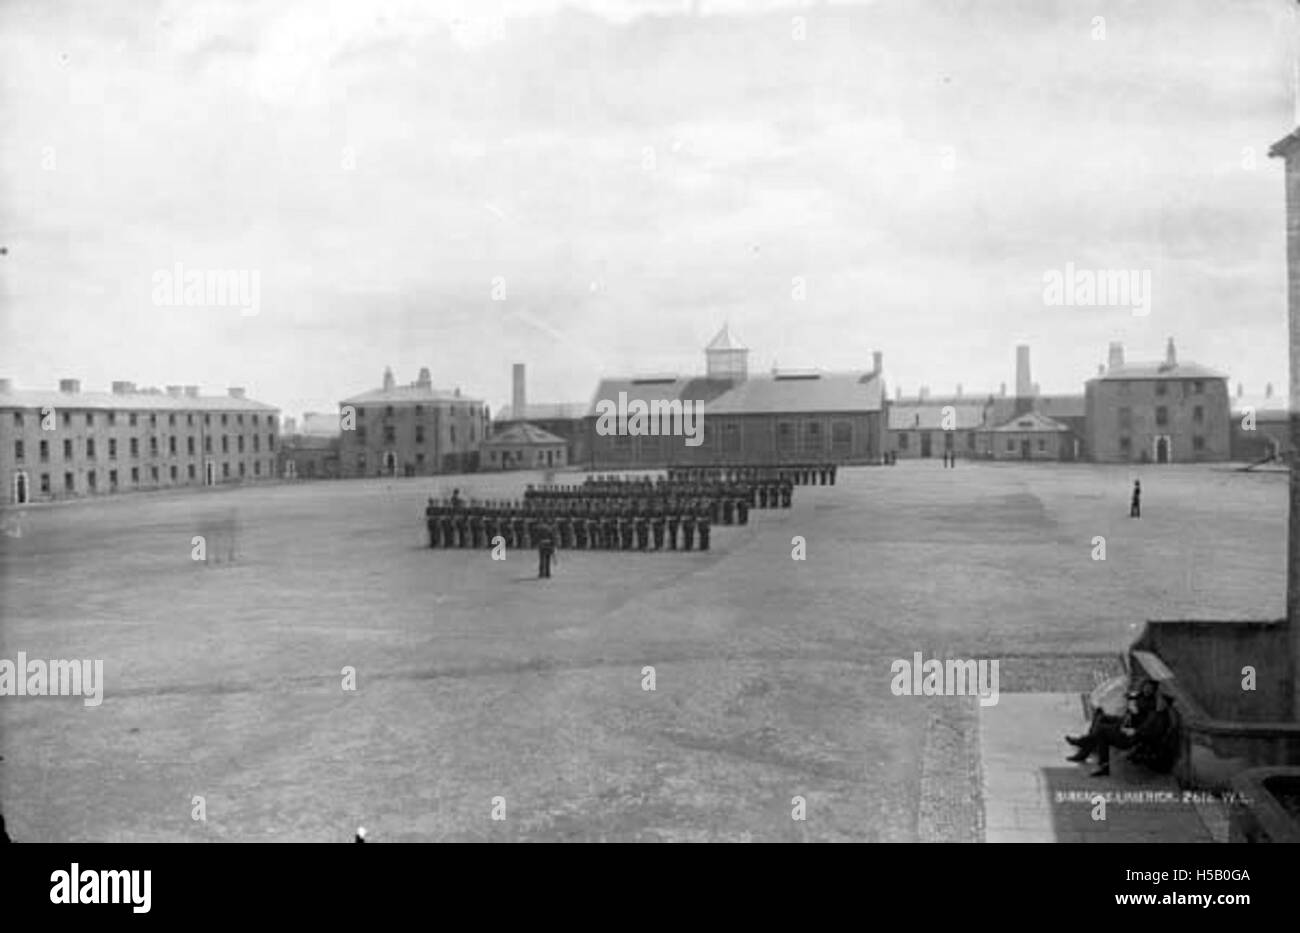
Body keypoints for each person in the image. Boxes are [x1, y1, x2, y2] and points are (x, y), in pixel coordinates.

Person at [1069, 689, 1172, 777]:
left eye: (1161, 702)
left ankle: (1084, 746)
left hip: (1130, 738)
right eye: (1159, 700)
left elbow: (1153, 735)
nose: (1159, 702)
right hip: (1127, 728)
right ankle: (1090, 754)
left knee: (1101, 731)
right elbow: (1139, 720)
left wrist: (1135, 732)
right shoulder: (1154, 712)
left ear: (1165, 705)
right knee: (1100, 721)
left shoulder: (1161, 718)